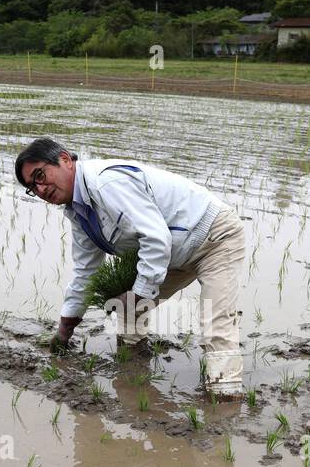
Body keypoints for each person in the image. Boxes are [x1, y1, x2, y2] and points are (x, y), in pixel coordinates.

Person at [14, 137, 246, 397]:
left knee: (216, 325)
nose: (42, 189)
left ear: (65, 160)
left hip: (214, 236)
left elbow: (156, 239)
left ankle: (225, 402)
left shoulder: (105, 184)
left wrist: (139, 294)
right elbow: (85, 273)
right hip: (174, 251)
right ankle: (134, 374)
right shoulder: (78, 211)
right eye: (33, 187)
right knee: (128, 310)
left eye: (40, 175)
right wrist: (64, 330)